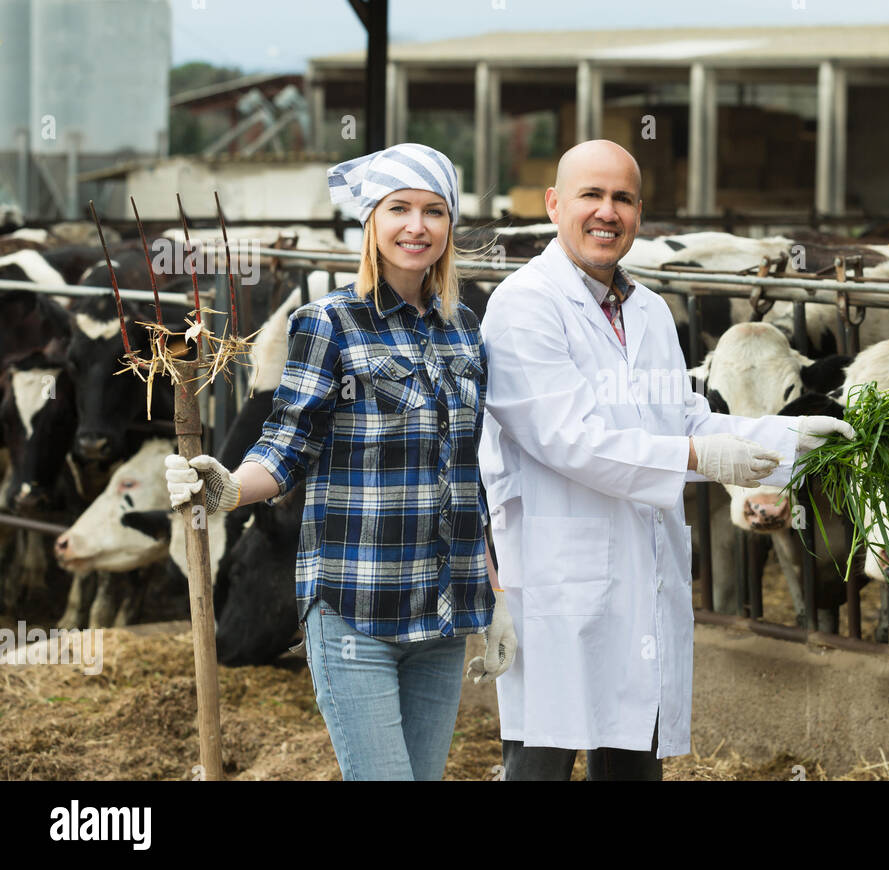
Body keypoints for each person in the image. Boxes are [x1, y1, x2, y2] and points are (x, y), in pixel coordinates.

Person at [477, 139, 852, 781]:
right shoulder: (523, 307)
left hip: (640, 574)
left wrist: (793, 440)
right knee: (540, 761)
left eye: (622, 198)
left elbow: (683, 419)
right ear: (553, 204)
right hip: (558, 574)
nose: (607, 212)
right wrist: (699, 454)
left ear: (640, 213)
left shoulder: (648, 310)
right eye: (590, 195)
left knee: (632, 761)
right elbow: (570, 439)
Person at [162, 143, 516, 781]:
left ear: (450, 226)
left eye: (434, 211)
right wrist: (225, 488)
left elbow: (473, 471)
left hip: (443, 610)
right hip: (355, 606)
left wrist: (496, 594)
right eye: (400, 208)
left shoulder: (465, 328)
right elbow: (287, 444)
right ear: (371, 223)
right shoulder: (327, 323)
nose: (418, 226)